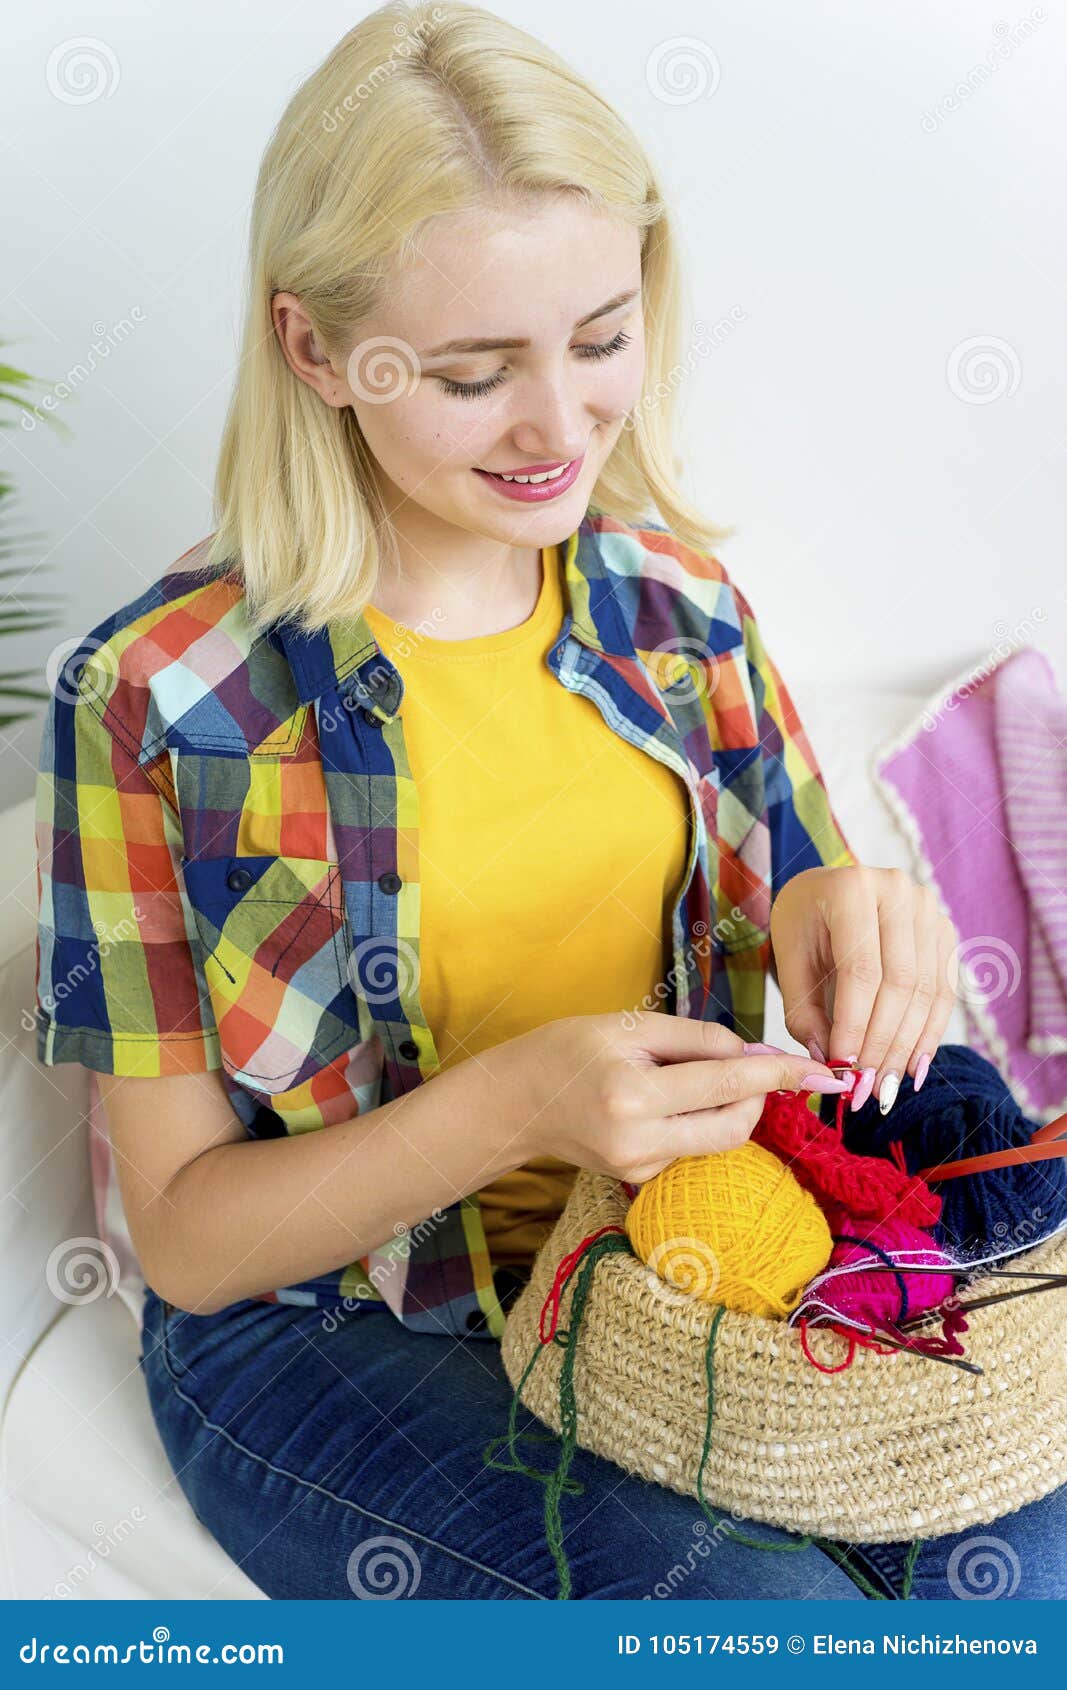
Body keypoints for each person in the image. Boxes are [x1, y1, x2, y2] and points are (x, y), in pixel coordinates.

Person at [34, 0, 1062, 1600]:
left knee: (1025, 1542)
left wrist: (853, 924)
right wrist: (516, 1105)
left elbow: (806, 898)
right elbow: (184, 1236)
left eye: (599, 338)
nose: (561, 427)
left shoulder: (676, 607)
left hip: (676, 1264)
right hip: (332, 1326)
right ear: (314, 348)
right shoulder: (155, 699)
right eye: (472, 373)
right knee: (766, 1625)